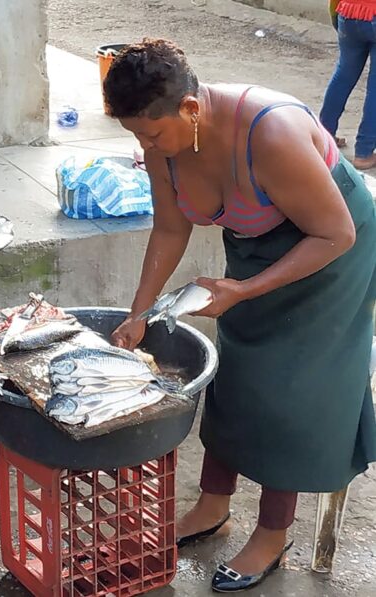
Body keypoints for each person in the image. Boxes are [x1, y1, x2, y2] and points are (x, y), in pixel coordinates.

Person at [104, 39, 376, 592]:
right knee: (236, 376)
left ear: (190, 109)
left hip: (330, 250)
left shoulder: (268, 134)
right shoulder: (163, 143)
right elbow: (170, 228)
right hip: (255, 250)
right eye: (136, 134)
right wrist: (141, 314)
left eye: (152, 133)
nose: (146, 145)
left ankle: (273, 533)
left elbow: (336, 233)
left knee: (291, 390)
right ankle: (212, 507)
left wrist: (247, 289)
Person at [320, 0, 376, 168]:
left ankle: (322, 138)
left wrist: (338, 19)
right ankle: (364, 152)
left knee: (343, 76)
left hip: (348, 12)